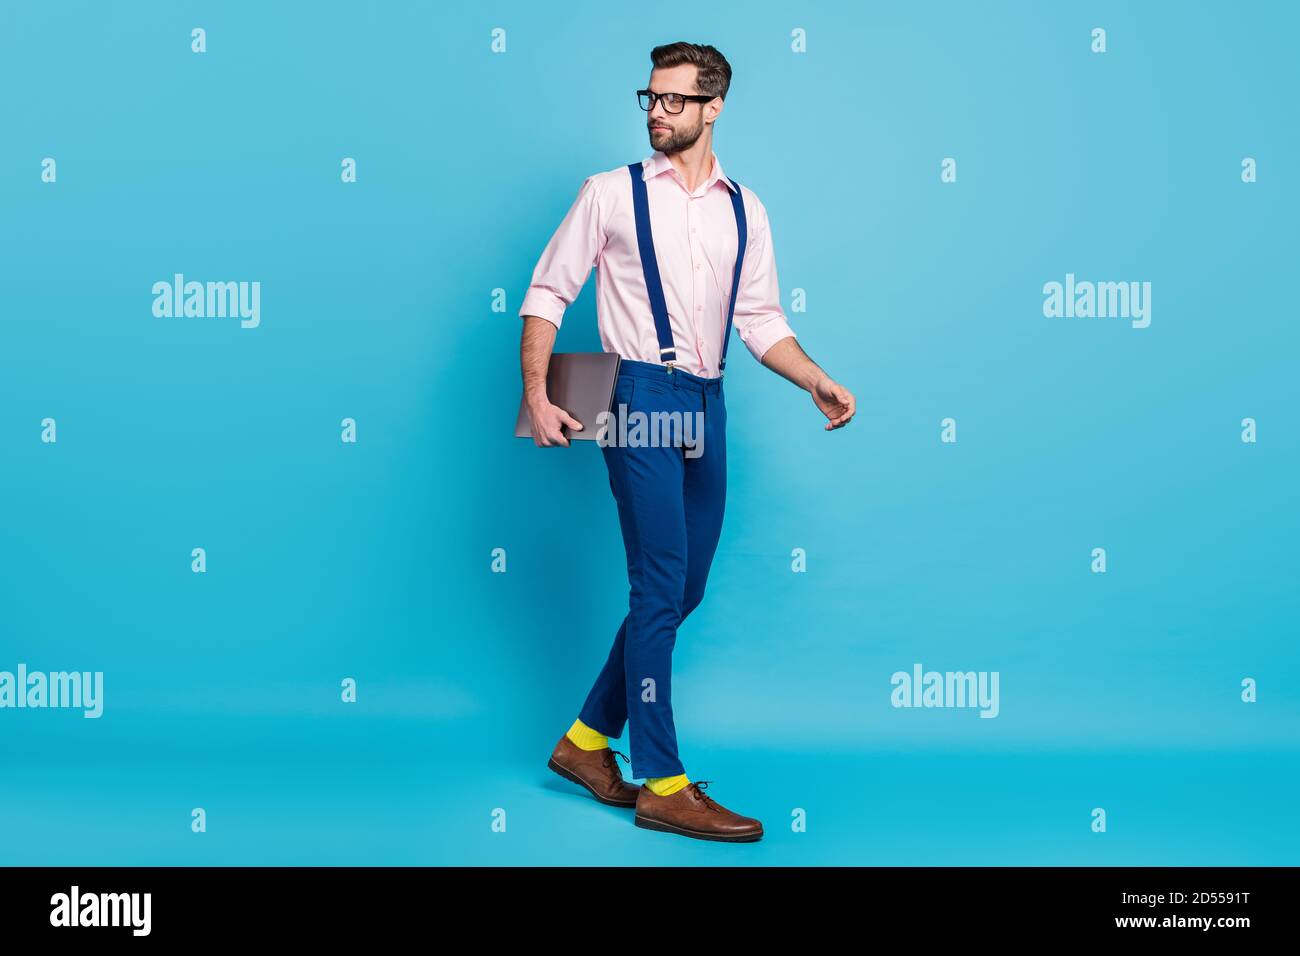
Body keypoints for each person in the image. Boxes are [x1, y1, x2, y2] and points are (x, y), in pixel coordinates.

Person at [518, 41, 855, 842]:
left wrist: (812, 377)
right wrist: (537, 392)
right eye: (651, 98)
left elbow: (761, 319)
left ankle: (585, 743)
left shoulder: (746, 207)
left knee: (684, 588)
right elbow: (548, 290)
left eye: (674, 100)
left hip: (708, 400)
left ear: (714, 107)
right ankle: (663, 782)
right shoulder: (610, 192)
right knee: (659, 585)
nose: (657, 113)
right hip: (634, 392)